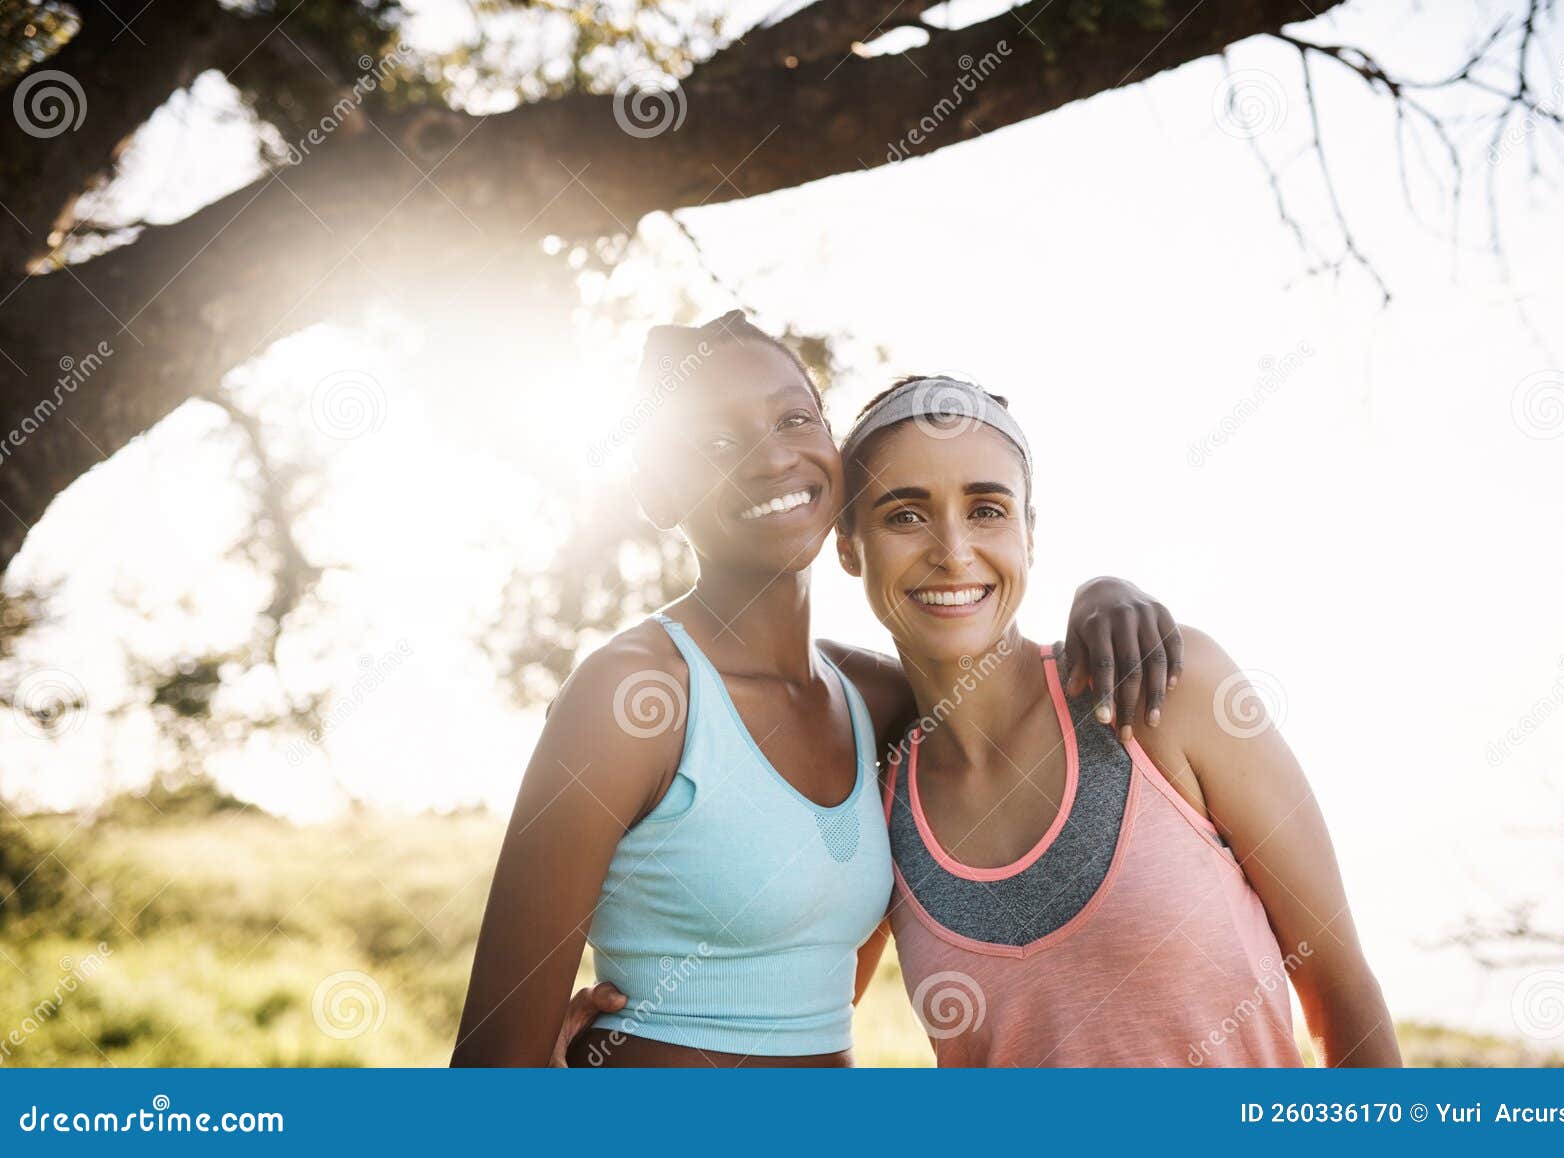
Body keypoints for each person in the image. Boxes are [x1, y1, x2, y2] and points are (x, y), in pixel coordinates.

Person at [450, 316, 1182, 1067]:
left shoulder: (878, 700)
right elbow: (491, 1064)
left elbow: (1013, 689)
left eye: (794, 418)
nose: (771, 457)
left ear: (832, 450)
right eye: (718, 443)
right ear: (657, 494)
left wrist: (1104, 592)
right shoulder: (631, 698)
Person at [831, 375, 1400, 1067]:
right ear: (849, 546)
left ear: (1029, 535)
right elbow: (803, 1034)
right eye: (905, 515)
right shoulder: (873, 809)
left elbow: (1342, 997)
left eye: (986, 510)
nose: (953, 550)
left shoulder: (1170, 691)